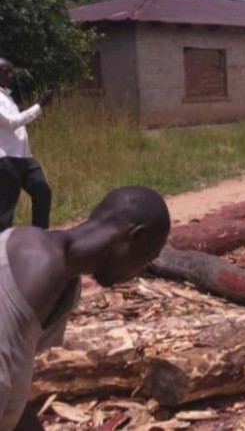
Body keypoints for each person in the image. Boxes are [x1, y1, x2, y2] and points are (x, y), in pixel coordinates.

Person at [0, 185, 171, 431]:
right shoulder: (37, 266)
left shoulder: (67, 285)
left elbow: (14, 384)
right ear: (136, 237)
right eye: (148, 258)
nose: (139, 271)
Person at [0, 58, 53, 231]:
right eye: (6, 71)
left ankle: (39, 236)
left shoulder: (6, 96)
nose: (10, 75)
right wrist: (39, 105)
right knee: (6, 209)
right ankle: (3, 250)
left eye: (10, 71)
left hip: (24, 157)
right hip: (7, 158)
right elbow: (11, 123)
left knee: (42, 192)